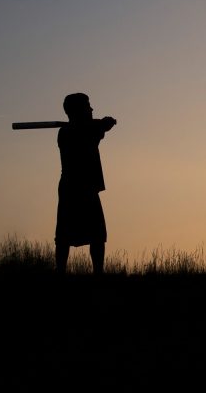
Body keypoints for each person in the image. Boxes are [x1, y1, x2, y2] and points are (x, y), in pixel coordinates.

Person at [54, 93, 117, 275]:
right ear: (78, 110)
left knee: (96, 234)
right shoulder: (69, 132)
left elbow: (98, 127)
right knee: (67, 235)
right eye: (87, 106)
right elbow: (98, 128)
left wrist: (103, 124)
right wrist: (105, 123)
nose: (91, 109)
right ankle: (61, 273)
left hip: (81, 187)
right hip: (76, 188)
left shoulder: (79, 129)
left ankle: (97, 273)